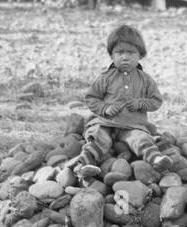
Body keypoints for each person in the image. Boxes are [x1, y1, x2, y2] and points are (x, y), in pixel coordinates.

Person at [62, 24, 173, 185]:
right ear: (112, 55)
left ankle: (157, 159)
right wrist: (105, 108)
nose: (125, 57)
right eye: (120, 53)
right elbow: (91, 98)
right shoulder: (106, 77)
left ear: (140, 55)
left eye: (131, 53)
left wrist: (141, 103)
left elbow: (156, 101)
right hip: (105, 122)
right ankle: (83, 165)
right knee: (99, 139)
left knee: (141, 139)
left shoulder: (145, 79)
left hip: (132, 125)